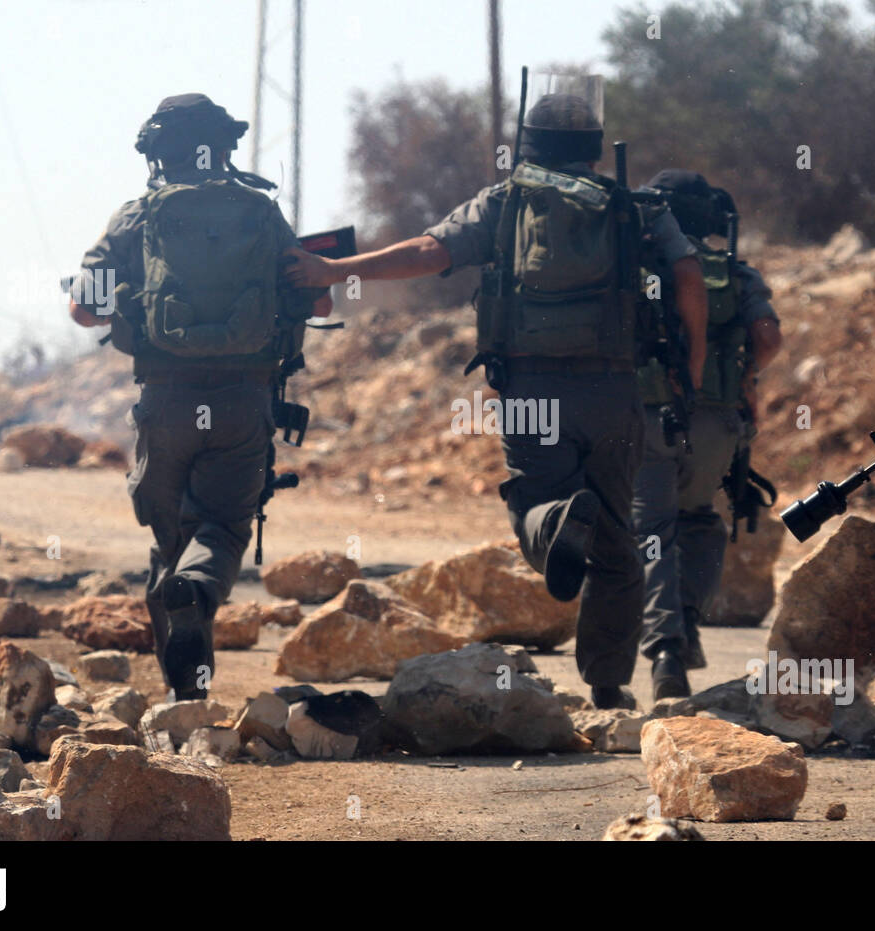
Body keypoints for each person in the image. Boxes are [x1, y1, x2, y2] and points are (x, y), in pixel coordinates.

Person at [287, 85, 708, 709]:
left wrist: (335, 272)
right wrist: (690, 372)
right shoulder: (637, 208)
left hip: (531, 388)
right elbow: (690, 279)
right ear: (594, 148)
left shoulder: (504, 204)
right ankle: (609, 684)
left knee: (535, 501)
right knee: (619, 539)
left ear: (528, 145)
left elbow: (427, 254)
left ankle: (557, 522)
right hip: (613, 389)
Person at [68, 93, 328, 699]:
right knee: (223, 529)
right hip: (244, 400)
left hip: (165, 403)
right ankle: (197, 604)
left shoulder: (137, 217)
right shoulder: (262, 214)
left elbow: (83, 309)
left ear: (157, 153)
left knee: (172, 541)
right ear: (225, 147)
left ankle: (185, 696)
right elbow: (319, 302)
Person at [631, 170, 781, 699]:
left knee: (652, 532)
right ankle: (687, 621)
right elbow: (767, 336)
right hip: (715, 421)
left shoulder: (636, 270)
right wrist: (743, 375)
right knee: (702, 522)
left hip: (648, 416)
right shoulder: (733, 273)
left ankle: (666, 652)